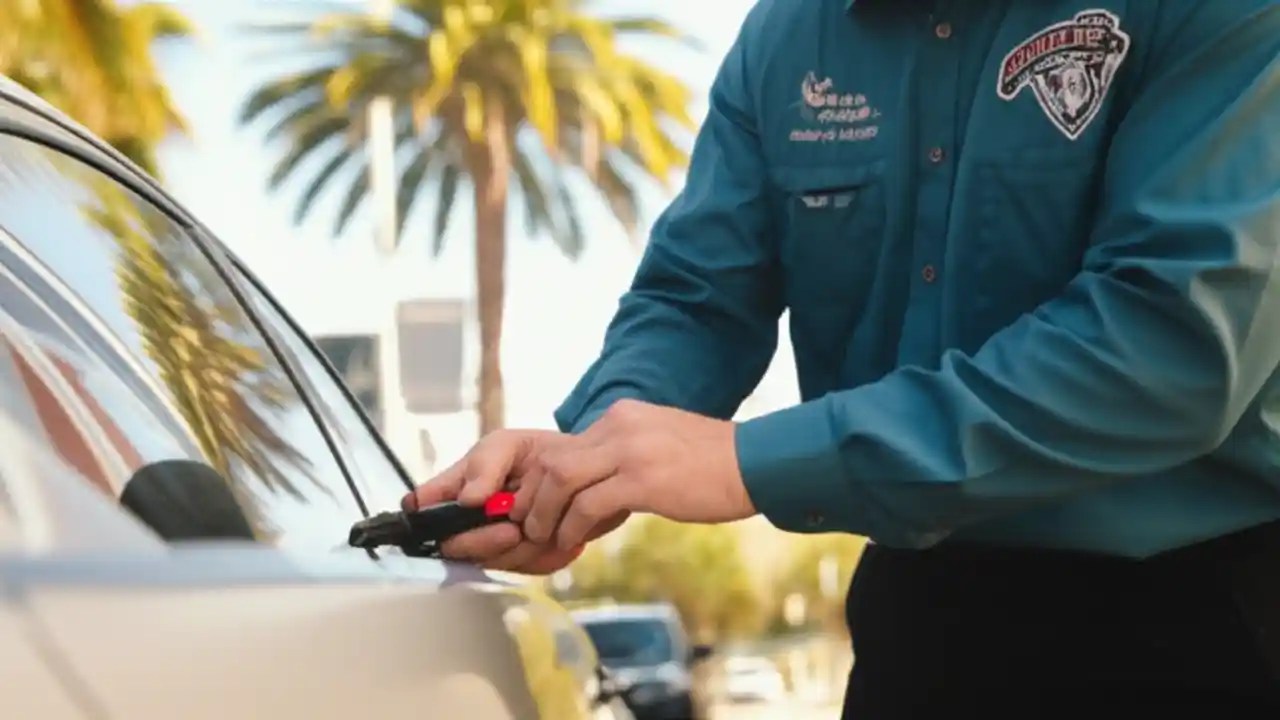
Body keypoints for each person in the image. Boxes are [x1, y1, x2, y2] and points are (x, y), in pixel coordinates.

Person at [406, 0, 1280, 715]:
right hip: (923, 625)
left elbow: (1173, 342)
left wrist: (751, 462)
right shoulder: (784, 39)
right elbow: (697, 298)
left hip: (1210, 622)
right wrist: (591, 459)